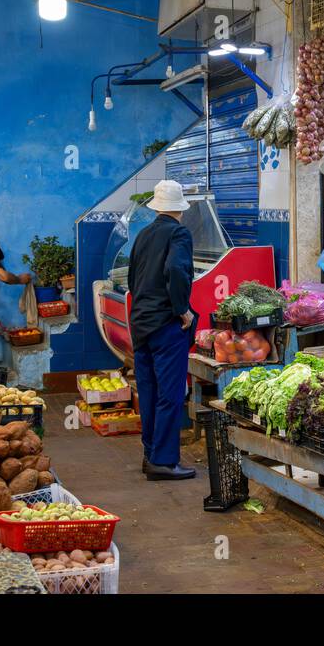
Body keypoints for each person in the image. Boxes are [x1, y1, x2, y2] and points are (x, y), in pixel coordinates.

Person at [127, 180, 197, 481]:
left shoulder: (143, 234)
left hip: (140, 322)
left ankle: (150, 454)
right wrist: (182, 309)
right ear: (179, 209)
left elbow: (132, 278)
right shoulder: (179, 233)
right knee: (169, 393)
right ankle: (165, 461)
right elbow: (177, 270)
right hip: (166, 324)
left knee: (149, 390)